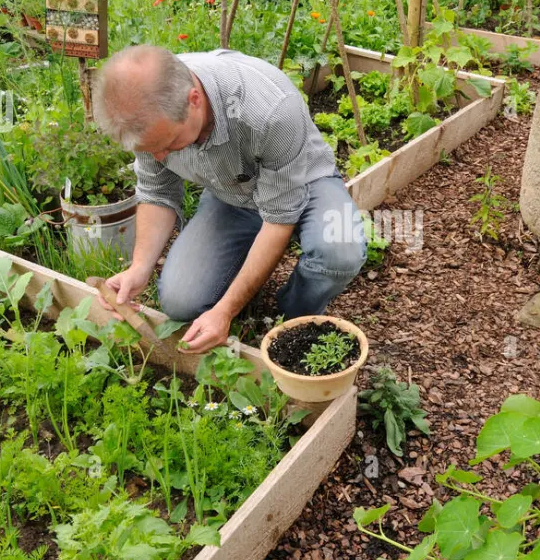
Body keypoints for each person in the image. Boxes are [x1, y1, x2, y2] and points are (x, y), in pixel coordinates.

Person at [94, 44, 366, 354]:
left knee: (341, 251)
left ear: (193, 100)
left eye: (169, 144)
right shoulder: (149, 110)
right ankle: (245, 277)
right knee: (180, 301)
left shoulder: (272, 108)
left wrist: (225, 311)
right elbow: (156, 191)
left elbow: (279, 220)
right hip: (230, 192)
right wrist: (139, 268)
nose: (159, 157)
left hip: (308, 179)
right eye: (150, 150)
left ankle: (291, 317)